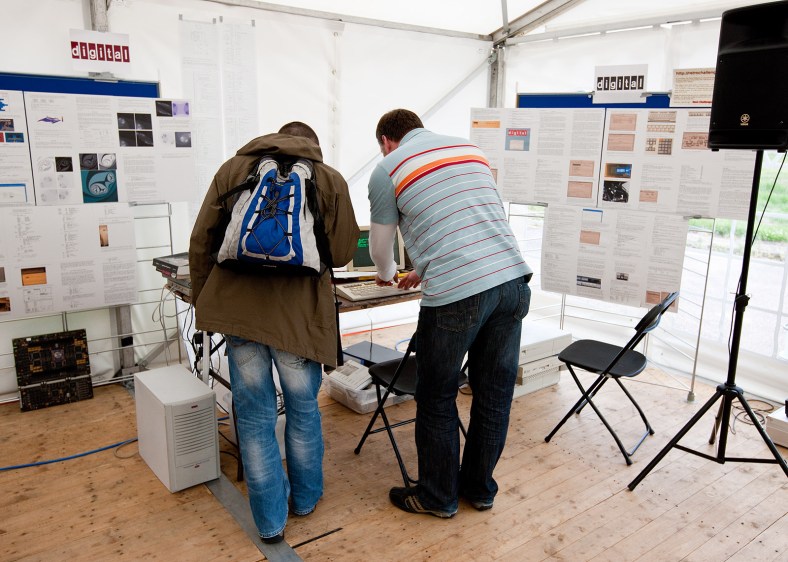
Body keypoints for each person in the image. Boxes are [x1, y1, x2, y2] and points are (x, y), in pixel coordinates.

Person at [189, 122, 359, 542]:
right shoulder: (329, 178)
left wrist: (204, 299)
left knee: (255, 416)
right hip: (299, 318)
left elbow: (201, 240)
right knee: (303, 410)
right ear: (313, 146)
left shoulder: (233, 169)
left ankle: (269, 522)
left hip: (240, 313)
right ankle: (304, 499)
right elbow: (340, 253)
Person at [367, 109, 533, 518]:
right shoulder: (470, 150)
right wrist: (422, 268)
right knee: (493, 394)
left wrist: (388, 275)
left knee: (437, 396)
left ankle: (437, 496)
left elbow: (379, 248)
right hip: (511, 280)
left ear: (387, 141)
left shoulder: (388, 168)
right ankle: (480, 490)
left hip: (459, 295)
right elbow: (468, 221)